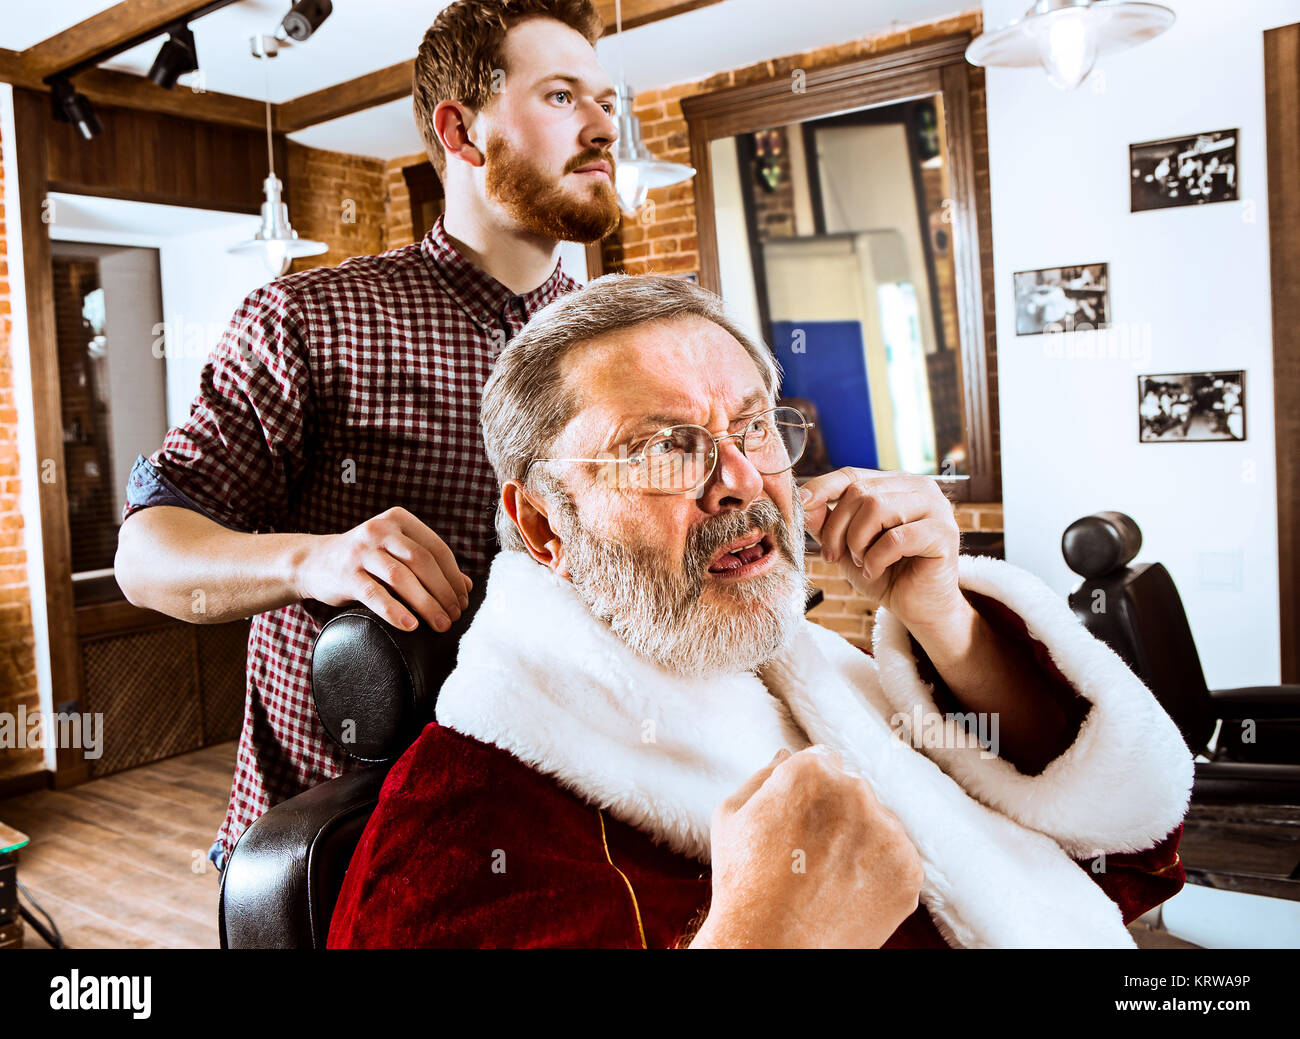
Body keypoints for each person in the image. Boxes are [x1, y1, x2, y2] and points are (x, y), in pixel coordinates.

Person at [326, 275, 1194, 949]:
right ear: (546, 523)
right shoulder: (460, 830)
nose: (741, 481)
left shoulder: (812, 670)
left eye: (752, 427)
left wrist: (945, 621)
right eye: (664, 448)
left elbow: (1121, 850)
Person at [114, 0, 620, 872]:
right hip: (339, 851)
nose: (606, 124)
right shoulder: (310, 318)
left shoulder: (619, 344)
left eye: (609, 100)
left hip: (558, 824)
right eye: (564, 96)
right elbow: (146, 557)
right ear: (462, 133)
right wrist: (314, 560)